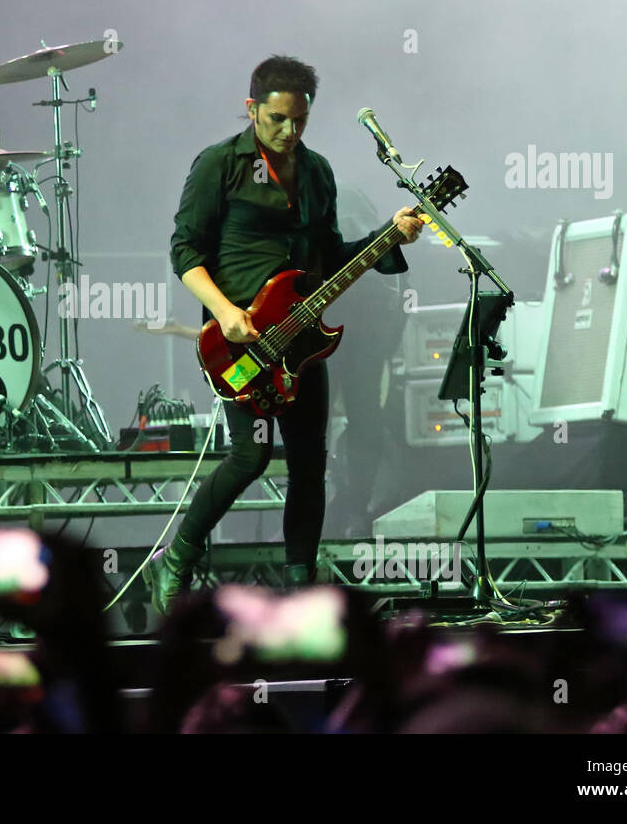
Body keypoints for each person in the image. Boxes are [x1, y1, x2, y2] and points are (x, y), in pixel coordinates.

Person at [149, 55, 423, 614]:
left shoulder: (317, 172)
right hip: (240, 341)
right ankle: (177, 557)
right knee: (249, 456)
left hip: (300, 339)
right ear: (252, 108)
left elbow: (329, 256)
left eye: (300, 120)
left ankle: (300, 587)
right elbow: (184, 251)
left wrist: (389, 237)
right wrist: (224, 310)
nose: (289, 131)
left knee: (309, 462)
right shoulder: (220, 164)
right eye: (278, 119)